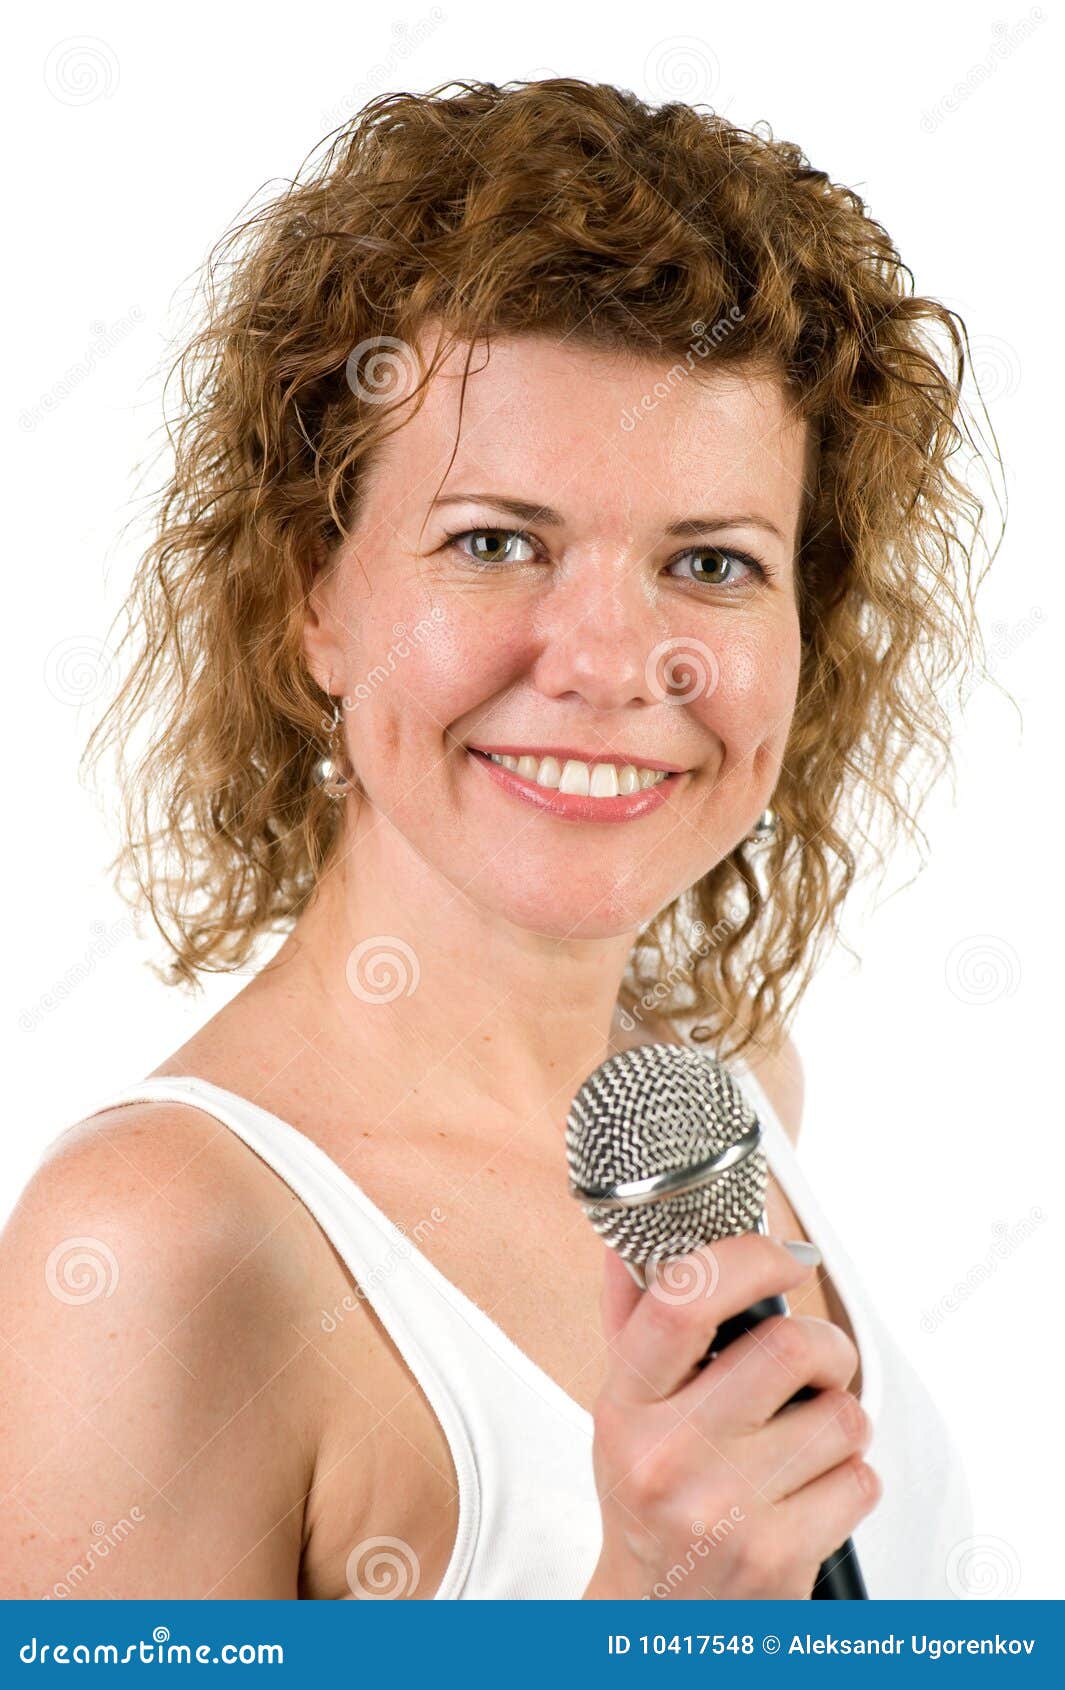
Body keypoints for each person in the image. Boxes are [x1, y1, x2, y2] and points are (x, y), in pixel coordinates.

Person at [1, 77, 994, 1601]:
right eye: (493, 542)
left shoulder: (712, 1103)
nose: (611, 662)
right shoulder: (155, 1255)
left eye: (712, 561)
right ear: (308, 599)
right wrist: (648, 1613)